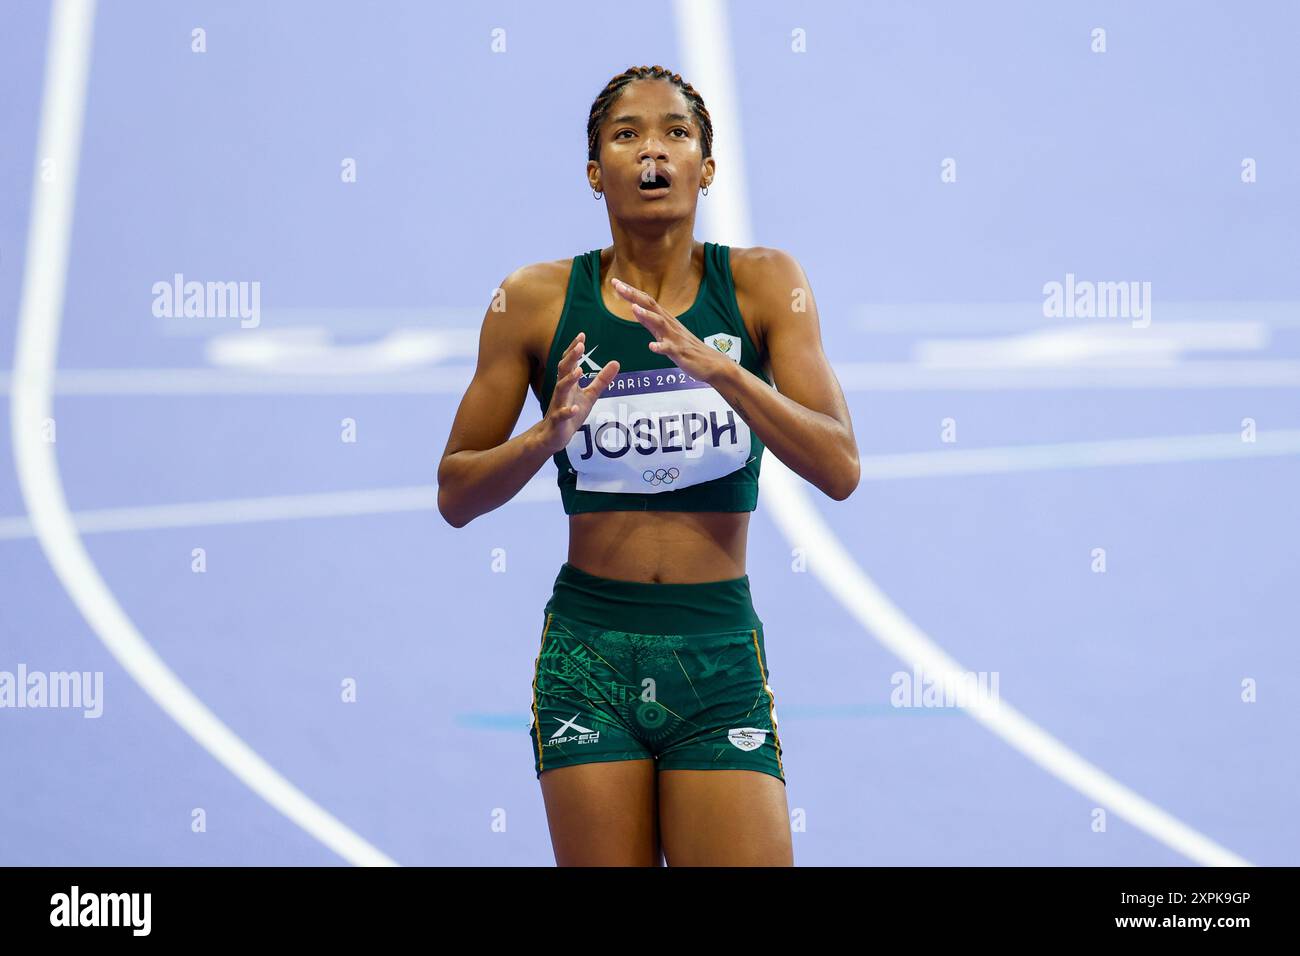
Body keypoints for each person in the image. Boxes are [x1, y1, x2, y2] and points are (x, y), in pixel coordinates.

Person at [437, 65, 860, 866]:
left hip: (716, 651)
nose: (652, 151)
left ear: (707, 166)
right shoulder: (533, 300)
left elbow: (839, 466)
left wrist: (727, 373)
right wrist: (546, 436)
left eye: (676, 132)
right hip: (590, 653)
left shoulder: (766, 285)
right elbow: (455, 492)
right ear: (596, 174)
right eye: (626, 135)